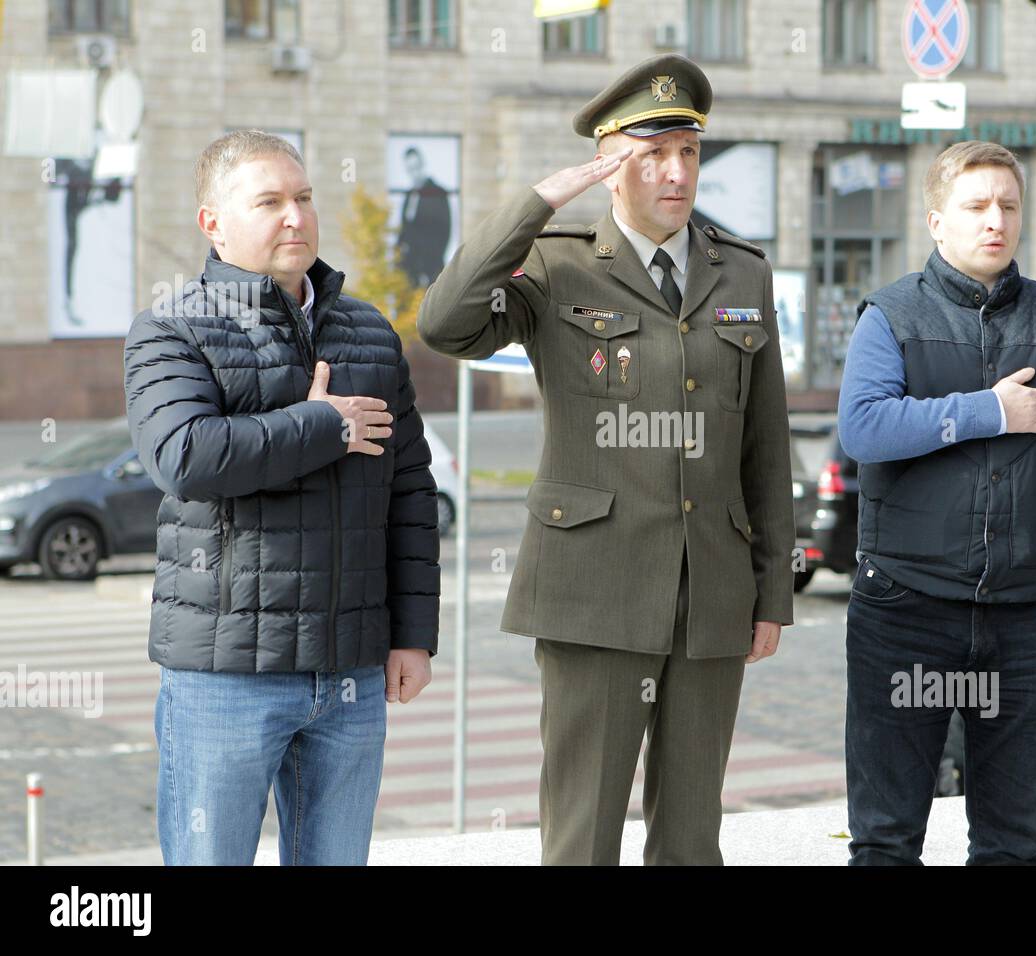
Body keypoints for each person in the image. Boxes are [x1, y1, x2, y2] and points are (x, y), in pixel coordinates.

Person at [418, 54, 795, 865]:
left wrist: (771, 592)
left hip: (713, 594)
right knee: (583, 834)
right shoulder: (557, 262)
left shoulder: (744, 272)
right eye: (650, 152)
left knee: (693, 838)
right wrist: (537, 202)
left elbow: (766, 445)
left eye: (688, 152)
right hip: (594, 589)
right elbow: (445, 324)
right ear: (610, 161)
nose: (675, 171)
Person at [124, 129, 440, 865]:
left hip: (352, 674)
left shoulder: (367, 330)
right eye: (268, 201)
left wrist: (412, 635)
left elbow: (410, 488)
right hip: (224, 675)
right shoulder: (172, 327)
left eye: (302, 198)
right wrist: (319, 425)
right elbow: (186, 457)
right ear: (214, 222)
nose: (295, 216)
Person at [837, 140, 1036, 865]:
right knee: (886, 842)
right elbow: (862, 428)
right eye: (975, 206)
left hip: (1027, 619)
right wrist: (989, 411)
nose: (994, 220)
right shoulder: (892, 315)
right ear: (937, 221)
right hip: (904, 613)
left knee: (1013, 845)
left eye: (1007, 205)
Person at [397, 146, 452, 287]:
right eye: (410, 169)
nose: (414, 173)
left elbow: (444, 231)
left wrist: (431, 265)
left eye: (416, 167)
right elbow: (404, 229)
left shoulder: (438, 193)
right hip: (410, 269)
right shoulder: (409, 195)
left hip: (430, 268)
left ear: (422, 164)